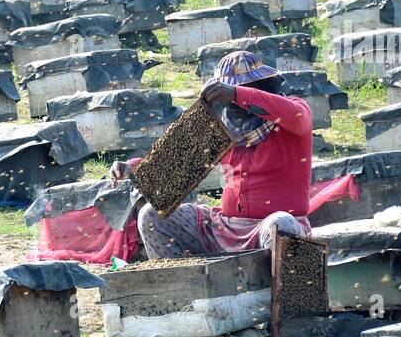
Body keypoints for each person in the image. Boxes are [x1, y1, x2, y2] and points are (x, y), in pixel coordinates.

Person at [110, 50, 313, 258]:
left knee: (281, 224)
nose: (232, 104)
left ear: (261, 87)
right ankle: (180, 288)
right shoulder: (223, 127)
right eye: (226, 97)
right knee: (151, 215)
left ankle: (294, 292)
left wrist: (236, 93)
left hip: (270, 228)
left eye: (239, 91)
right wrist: (132, 167)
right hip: (222, 228)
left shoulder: (294, 113)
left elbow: (298, 116)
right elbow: (176, 162)